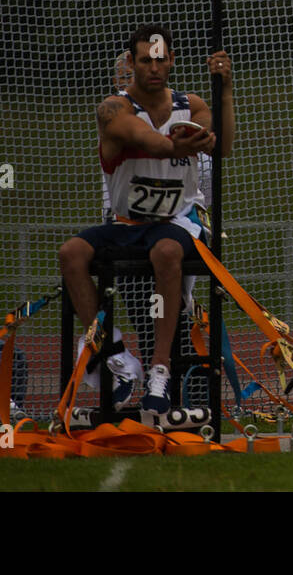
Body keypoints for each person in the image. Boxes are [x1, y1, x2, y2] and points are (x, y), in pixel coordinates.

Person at [59, 24, 235, 416]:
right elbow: (147, 139)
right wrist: (179, 144)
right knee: (71, 253)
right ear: (131, 62)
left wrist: (225, 89)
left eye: (161, 59)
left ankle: (160, 370)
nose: (154, 68)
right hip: (127, 223)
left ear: (171, 60)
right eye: (145, 60)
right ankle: (115, 354)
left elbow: (222, 145)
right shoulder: (113, 108)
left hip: (178, 222)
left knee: (167, 250)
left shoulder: (192, 105)